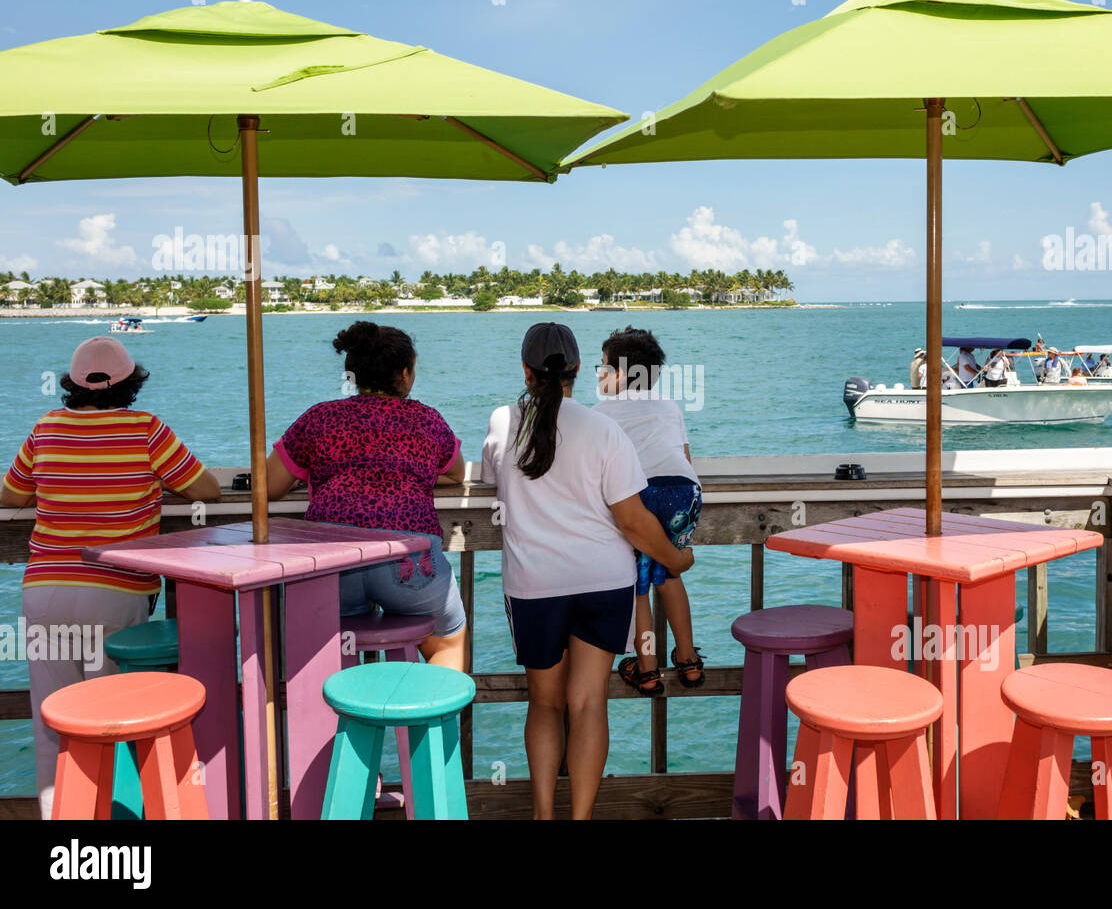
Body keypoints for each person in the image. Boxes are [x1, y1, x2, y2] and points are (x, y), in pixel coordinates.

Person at [1, 337, 220, 819]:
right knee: (117, 720)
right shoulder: (145, 431)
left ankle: (64, 825)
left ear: (72, 385)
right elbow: (207, 487)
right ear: (130, 384)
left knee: (52, 723)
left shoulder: (46, 428)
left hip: (46, 592)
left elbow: (10, 496)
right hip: (115, 593)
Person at [481, 322, 694, 819]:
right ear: (577, 369)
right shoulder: (604, 428)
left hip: (535, 585)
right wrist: (676, 559)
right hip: (604, 582)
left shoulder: (503, 420)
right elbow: (632, 520)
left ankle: (542, 813)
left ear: (525, 370)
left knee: (545, 704)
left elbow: (493, 475)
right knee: (588, 704)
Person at [264, 321, 467, 669]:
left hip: (332, 562)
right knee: (448, 642)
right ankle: (428, 715)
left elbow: (268, 486)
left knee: (327, 655)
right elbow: (455, 473)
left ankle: (339, 717)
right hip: (409, 558)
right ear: (404, 373)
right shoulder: (427, 420)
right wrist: (410, 472)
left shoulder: (320, 418)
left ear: (352, 375)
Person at [593, 327, 704, 696]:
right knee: (670, 573)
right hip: (684, 491)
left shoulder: (601, 414)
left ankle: (648, 668)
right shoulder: (669, 406)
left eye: (604, 366)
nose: (599, 374)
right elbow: (684, 458)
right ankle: (688, 661)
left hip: (640, 494)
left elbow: (600, 470)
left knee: (639, 588)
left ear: (621, 374)